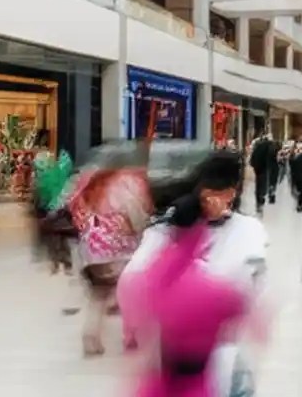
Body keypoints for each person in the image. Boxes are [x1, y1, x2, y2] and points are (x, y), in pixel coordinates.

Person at [121, 150, 268, 397]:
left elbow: (133, 283)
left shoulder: (168, 232)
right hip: (207, 363)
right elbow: (250, 294)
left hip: (176, 363)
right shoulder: (242, 231)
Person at [69, 165, 151, 357]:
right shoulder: (123, 188)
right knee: (129, 293)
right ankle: (131, 335)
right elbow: (136, 218)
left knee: (98, 295)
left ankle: (90, 338)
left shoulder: (89, 191)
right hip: (117, 252)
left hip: (90, 251)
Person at [248, 134, 277, 216]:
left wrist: (255, 167)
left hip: (259, 169)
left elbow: (252, 159)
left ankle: (259, 205)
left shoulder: (258, 146)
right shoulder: (271, 146)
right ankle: (264, 201)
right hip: (267, 169)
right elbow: (273, 159)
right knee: (265, 185)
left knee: (259, 187)